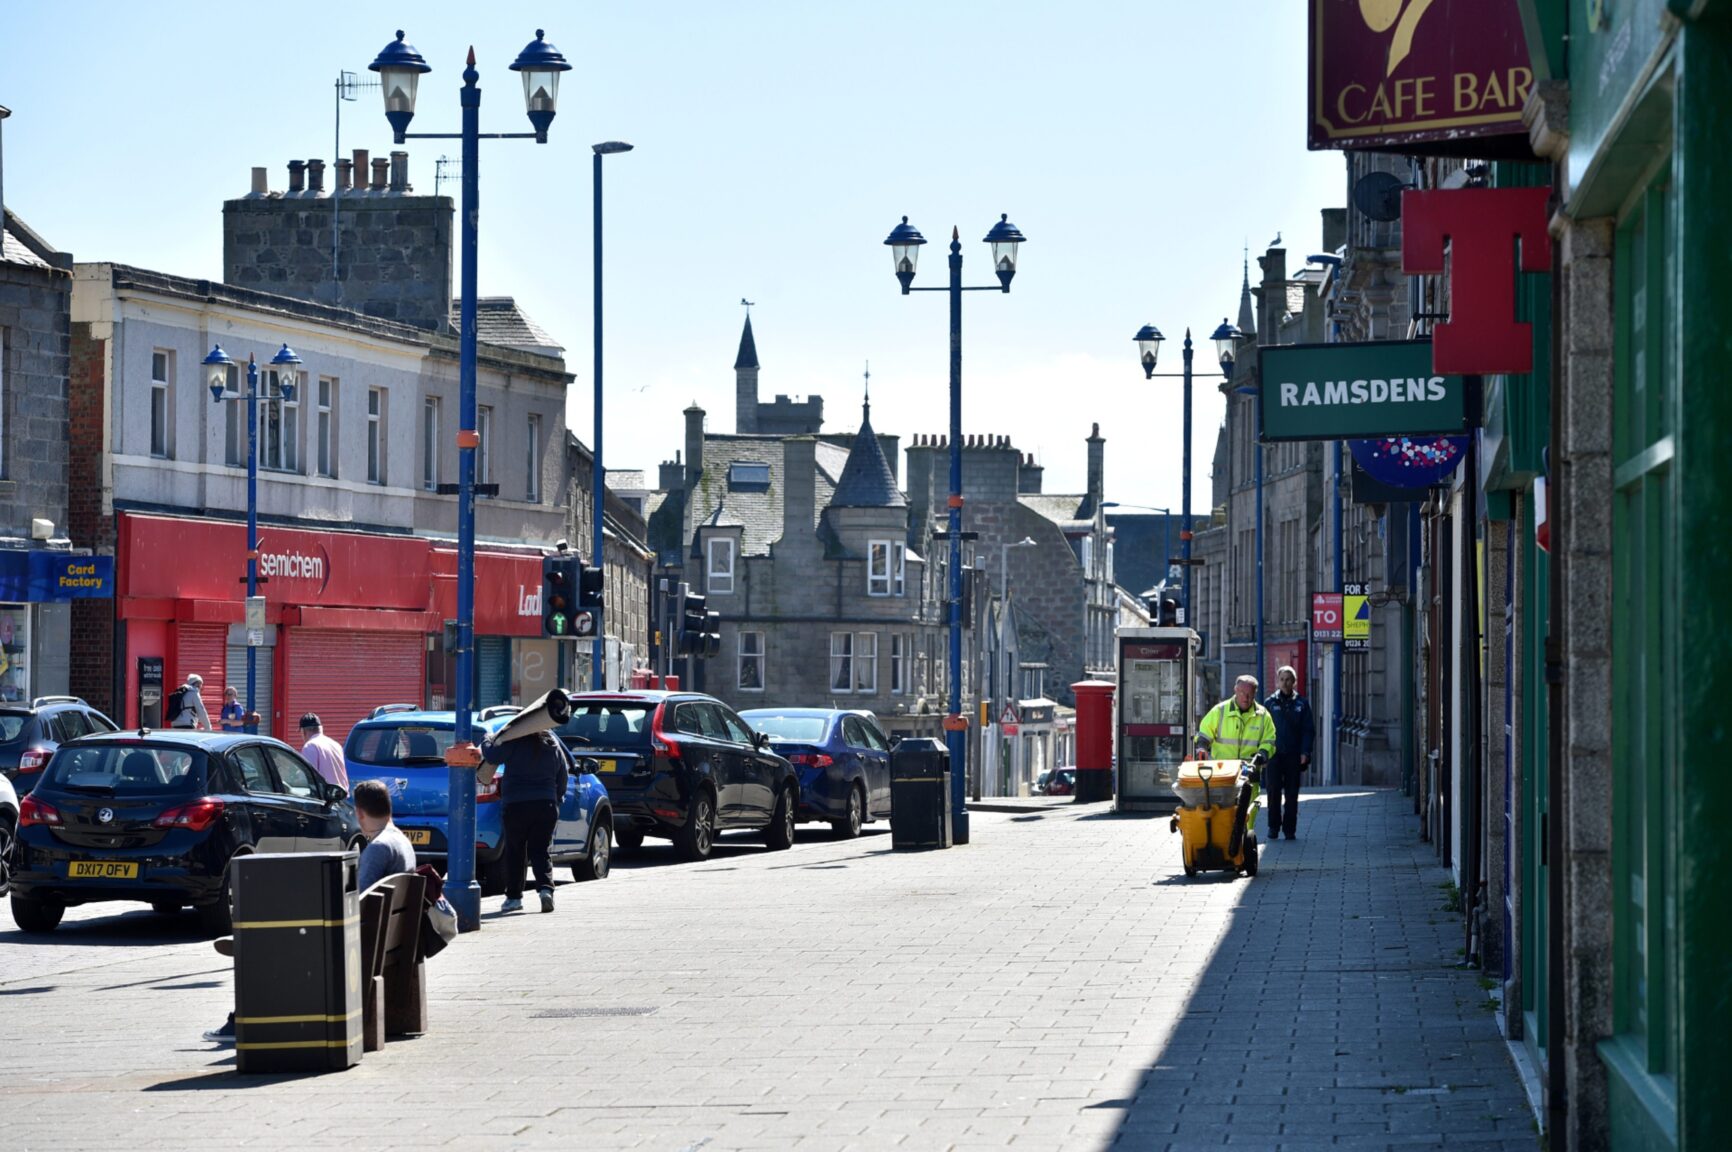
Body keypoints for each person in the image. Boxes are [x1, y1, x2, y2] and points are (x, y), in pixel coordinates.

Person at [203, 778, 414, 1045]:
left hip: (359, 943)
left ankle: (243, 1020)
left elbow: (356, 903)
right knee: (276, 935)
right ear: (388, 807)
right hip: (383, 940)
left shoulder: (380, 848)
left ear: (360, 812)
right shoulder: (402, 842)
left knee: (268, 945)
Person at [448, 728, 569, 914]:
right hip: (546, 805)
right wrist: (557, 799)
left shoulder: (514, 742)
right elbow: (563, 775)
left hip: (516, 805)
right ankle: (545, 890)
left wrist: (487, 739)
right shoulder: (552, 744)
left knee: (515, 851)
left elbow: (492, 755)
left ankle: (514, 898)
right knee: (541, 850)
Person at [1262, 666, 1315, 842]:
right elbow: (1262, 730)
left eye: (1288, 679)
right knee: (1273, 792)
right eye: (1282, 679)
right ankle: (1273, 827)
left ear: (1294, 681)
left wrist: (1305, 752)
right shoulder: (1270, 703)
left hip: (1293, 755)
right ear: (1278, 681)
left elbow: (1308, 730)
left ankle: (1290, 829)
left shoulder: (1301, 704)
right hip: (1274, 756)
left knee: (1292, 794)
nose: (1285, 683)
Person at [1195, 674, 1276, 767]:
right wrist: (1202, 748)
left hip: (1250, 773)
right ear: (1235, 690)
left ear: (1255, 693)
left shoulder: (1263, 715)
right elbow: (1204, 734)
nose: (1246, 698)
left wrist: (1263, 754)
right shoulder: (1219, 711)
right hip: (1221, 771)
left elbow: (1269, 741)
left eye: (1249, 694)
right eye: (1242, 693)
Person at [298, 713, 349, 792]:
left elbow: (308, 777)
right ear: (320, 729)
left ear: (303, 731)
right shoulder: (336, 744)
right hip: (341, 796)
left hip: (324, 798)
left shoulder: (310, 746)